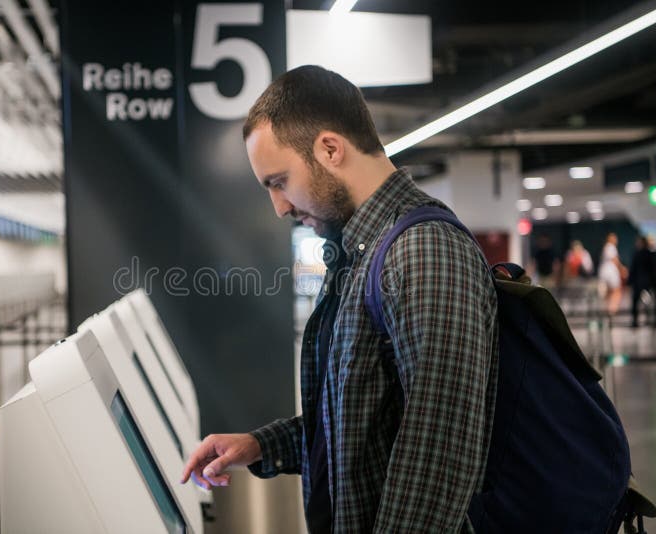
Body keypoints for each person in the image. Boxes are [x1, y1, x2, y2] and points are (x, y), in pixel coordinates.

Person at [181, 65, 499, 532]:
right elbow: (359, 425)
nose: (280, 207)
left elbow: (438, 465)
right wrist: (261, 445)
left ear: (330, 149)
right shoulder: (361, 256)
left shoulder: (424, 252)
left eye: (279, 181)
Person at [598, 232, 626, 316]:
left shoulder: (606, 247)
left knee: (609, 292)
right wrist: (622, 269)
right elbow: (615, 260)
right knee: (616, 291)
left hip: (604, 272)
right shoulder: (611, 247)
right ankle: (612, 309)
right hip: (610, 272)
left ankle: (608, 308)